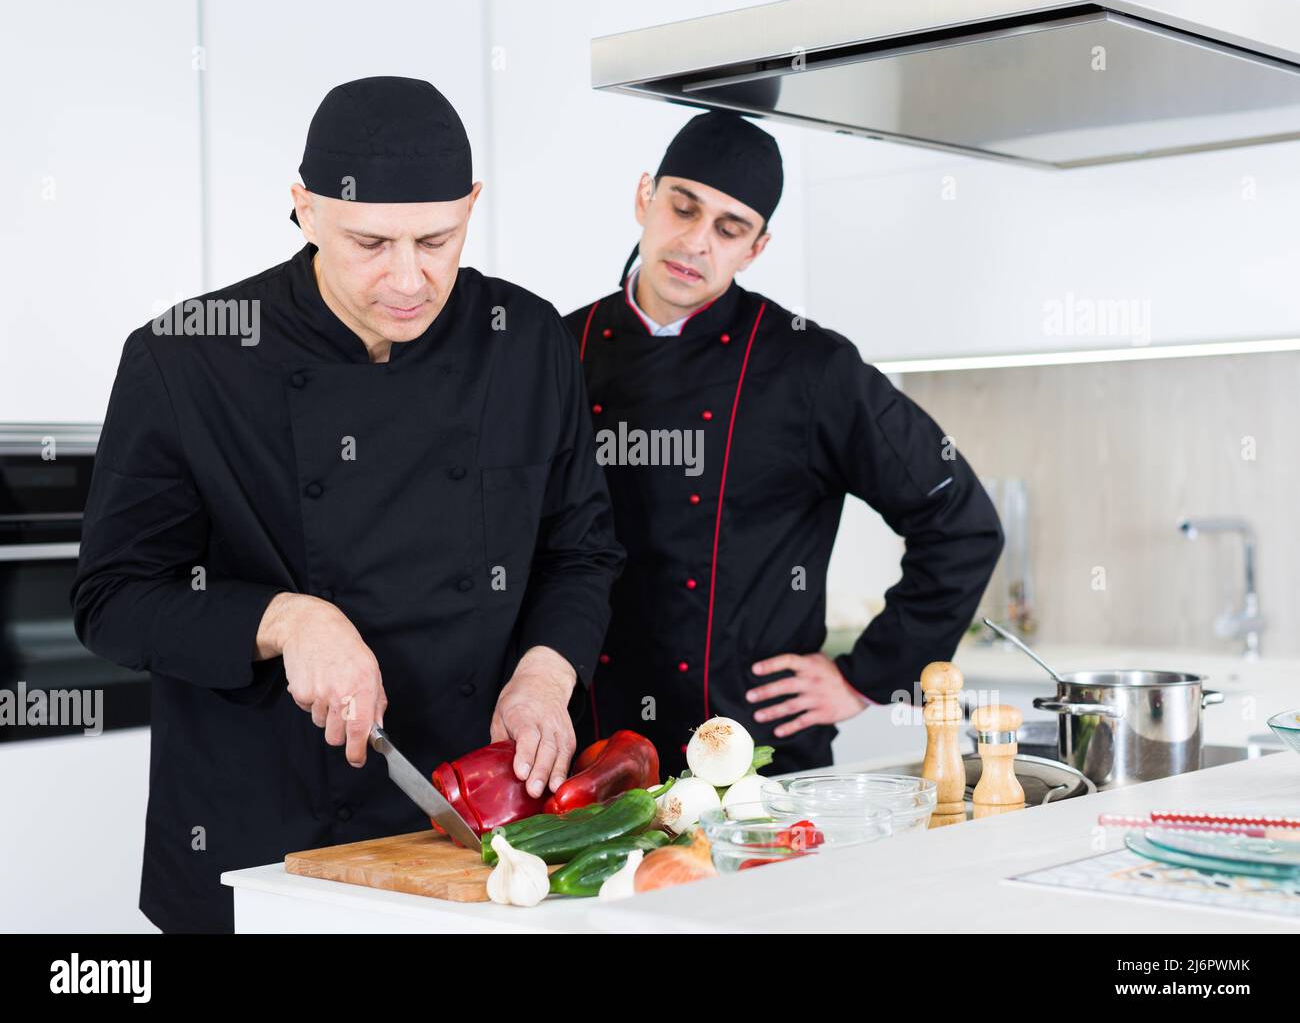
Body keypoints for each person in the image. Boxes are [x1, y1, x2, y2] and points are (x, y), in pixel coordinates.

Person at [71, 76, 623, 932]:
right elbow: (112, 601)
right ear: (304, 209)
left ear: (473, 207)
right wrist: (287, 621)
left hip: (471, 827)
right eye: (371, 242)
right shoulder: (185, 360)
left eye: (437, 239)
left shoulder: (526, 341)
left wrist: (547, 672)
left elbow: (580, 549)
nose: (409, 278)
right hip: (262, 838)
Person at [562, 111, 1002, 775]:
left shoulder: (809, 367)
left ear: (755, 248)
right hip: (586, 757)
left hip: (760, 766)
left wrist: (865, 677)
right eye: (682, 208)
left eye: (728, 228)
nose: (696, 242)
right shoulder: (559, 350)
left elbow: (962, 522)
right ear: (643, 198)